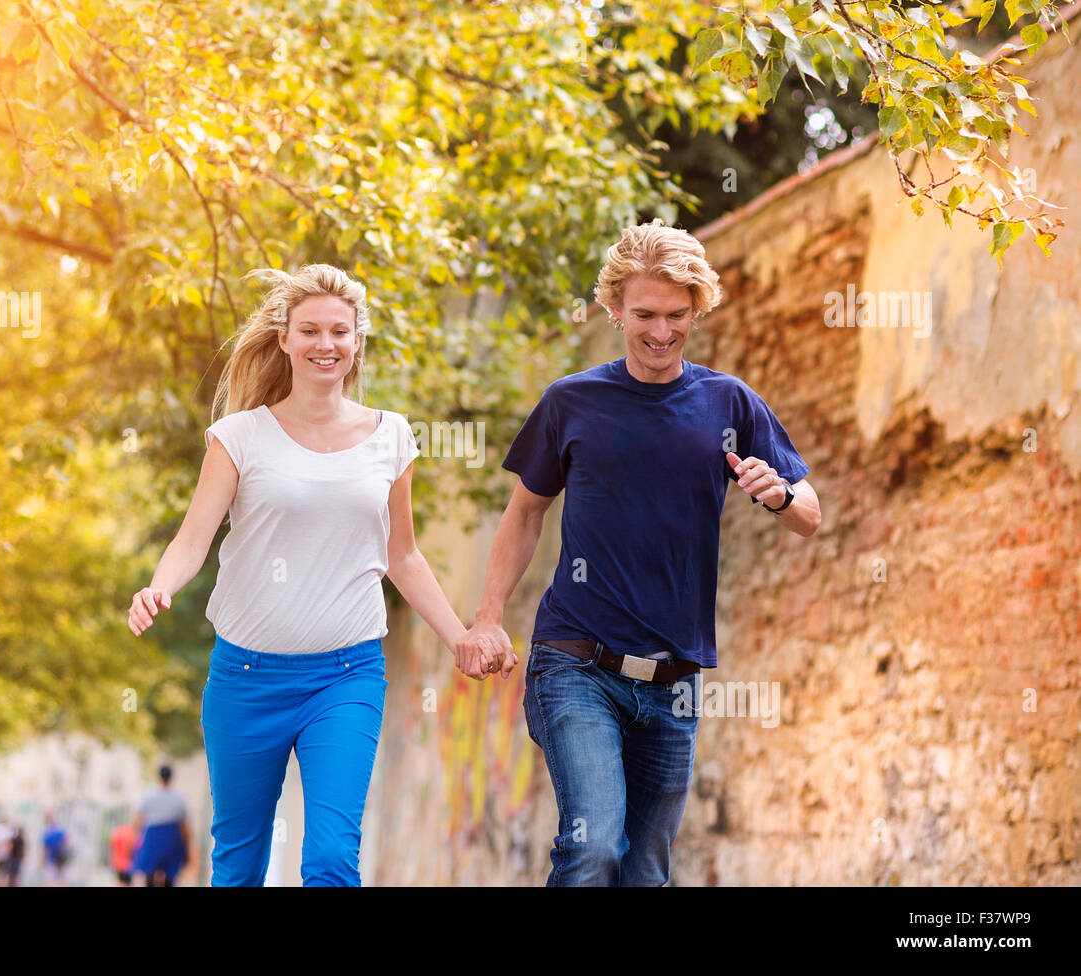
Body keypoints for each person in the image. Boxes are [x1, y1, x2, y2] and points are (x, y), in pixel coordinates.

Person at [464, 219, 821, 886]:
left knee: (646, 873)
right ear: (614, 309)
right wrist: (487, 618)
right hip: (575, 664)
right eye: (645, 315)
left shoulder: (729, 401)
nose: (661, 332)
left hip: (674, 681)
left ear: (698, 308)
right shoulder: (572, 402)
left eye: (677, 315)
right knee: (593, 846)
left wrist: (777, 495)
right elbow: (524, 514)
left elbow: (809, 514)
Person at [128, 264, 506, 887]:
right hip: (245, 678)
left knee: (331, 857)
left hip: (347, 674)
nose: (324, 344)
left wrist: (460, 636)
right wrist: (158, 587)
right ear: (285, 339)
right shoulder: (239, 436)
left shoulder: (390, 437)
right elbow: (194, 538)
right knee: (239, 860)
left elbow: (402, 556)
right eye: (309, 330)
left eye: (339, 331)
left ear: (358, 340)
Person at [130, 765, 189, 887]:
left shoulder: (148, 796)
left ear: (158, 777)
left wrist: (135, 842)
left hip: (153, 836)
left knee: (150, 873)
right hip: (172, 837)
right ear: (171, 778)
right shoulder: (179, 799)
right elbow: (184, 827)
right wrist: (186, 847)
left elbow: (137, 821)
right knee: (170, 874)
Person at [110, 819, 138, 886]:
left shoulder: (116, 833)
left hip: (118, 864)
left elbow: (112, 847)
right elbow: (133, 849)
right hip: (128, 865)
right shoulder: (131, 833)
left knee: (120, 882)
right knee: (126, 882)